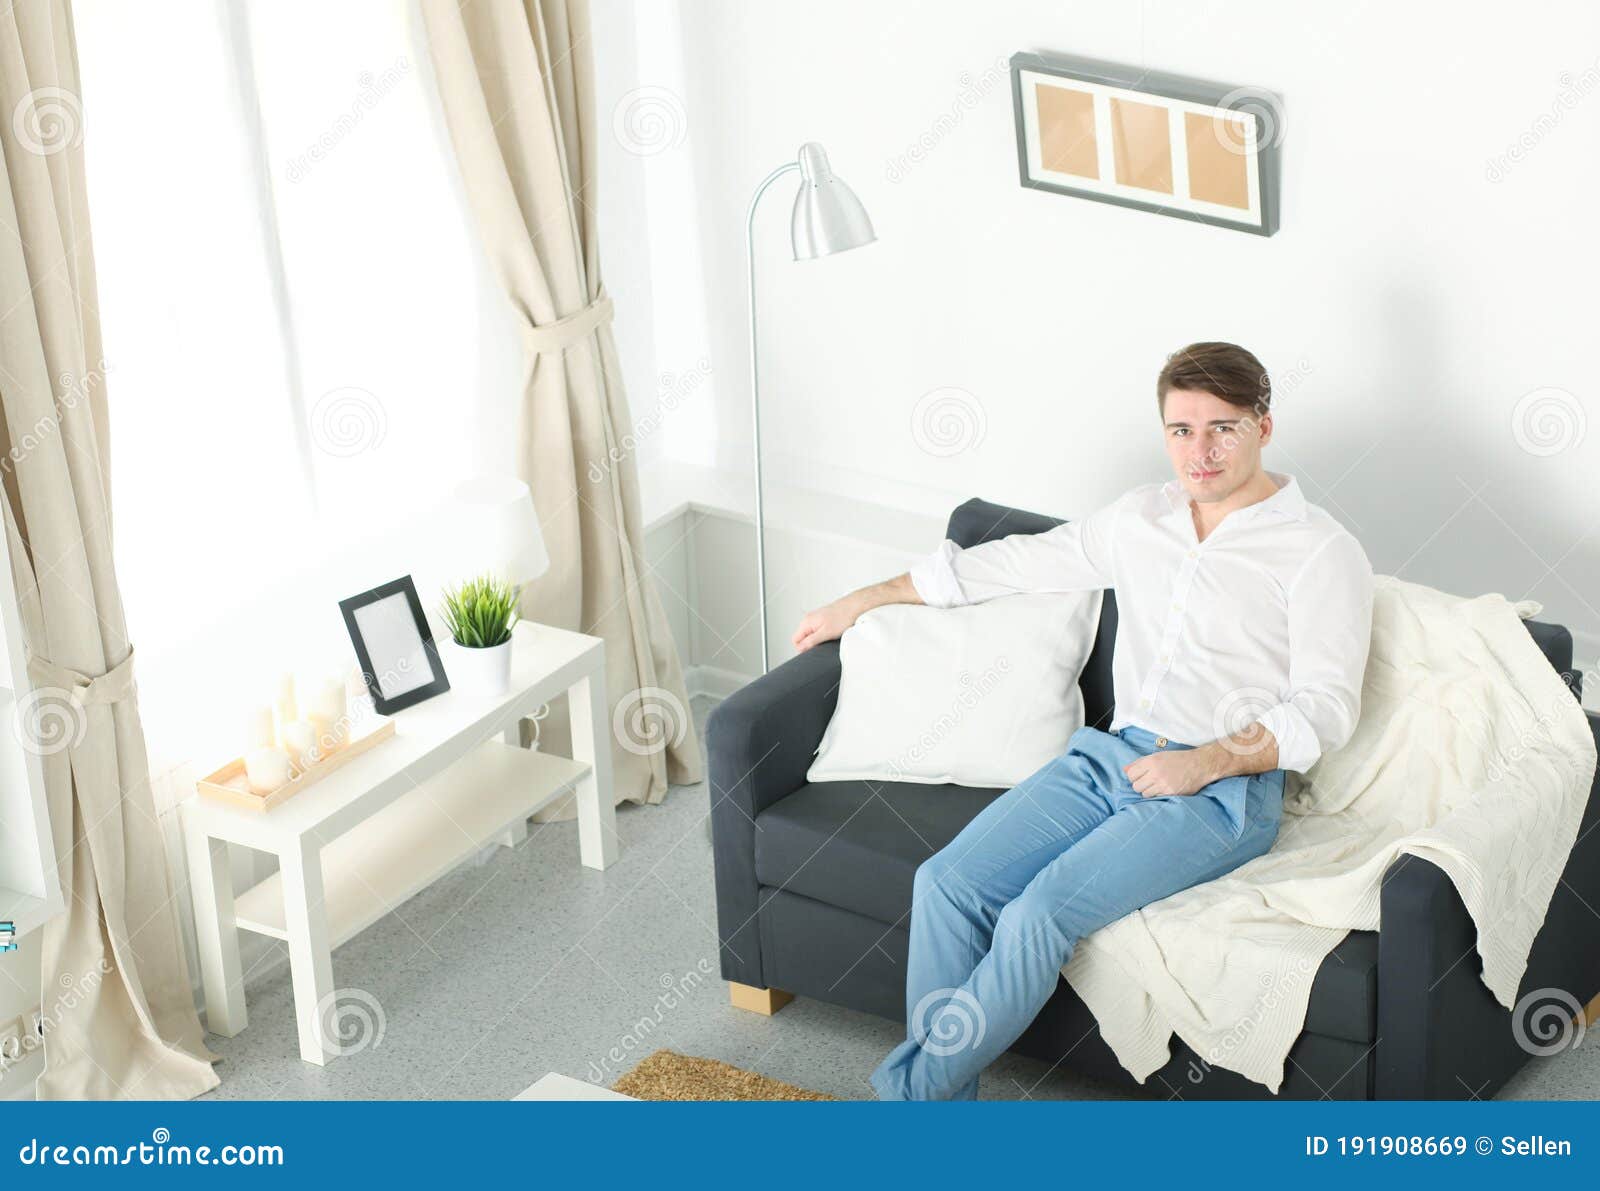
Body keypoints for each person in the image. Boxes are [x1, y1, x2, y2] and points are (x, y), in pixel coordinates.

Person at [790, 342, 1375, 1100]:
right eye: (1181, 430)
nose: (1199, 451)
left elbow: (1328, 708)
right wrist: (862, 599)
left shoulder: (1319, 550)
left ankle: (908, 1105)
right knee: (947, 883)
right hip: (1110, 758)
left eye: (1222, 429)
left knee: (1037, 917)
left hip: (1221, 792)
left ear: (1263, 426)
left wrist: (1204, 762)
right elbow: (1007, 564)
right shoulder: (1141, 519)